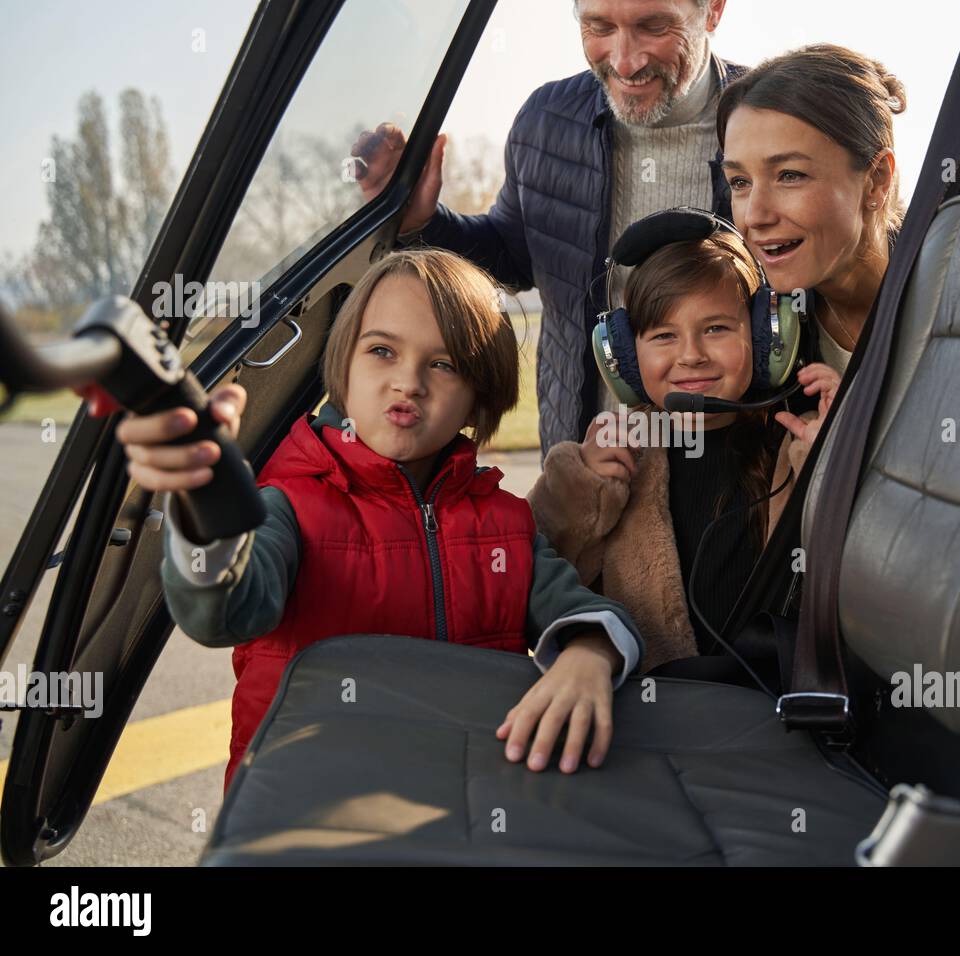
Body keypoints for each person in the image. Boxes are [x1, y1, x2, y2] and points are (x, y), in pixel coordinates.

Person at [115, 249, 644, 791]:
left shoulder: (507, 526)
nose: (408, 382)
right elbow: (220, 612)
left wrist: (589, 652)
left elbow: (586, 612)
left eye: (444, 364)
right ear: (343, 366)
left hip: (465, 815)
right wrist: (208, 506)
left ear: (478, 396)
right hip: (302, 819)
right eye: (382, 351)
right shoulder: (287, 505)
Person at [351, 0, 744, 455]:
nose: (624, 61)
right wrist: (423, 223)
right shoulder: (545, 121)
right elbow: (513, 261)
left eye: (653, 26)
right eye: (599, 26)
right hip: (581, 470)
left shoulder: (771, 122)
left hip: (742, 471)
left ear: (713, 10)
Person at [527, 226, 838, 674]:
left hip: (772, 712)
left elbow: (868, 569)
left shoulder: (799, 444)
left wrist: (834, 452)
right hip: (656, 713)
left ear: (770, 338)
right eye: (663, 336)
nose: (691, 355)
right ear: (624, 358)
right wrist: (585, 488)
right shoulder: (617, 458)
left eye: (715, 328)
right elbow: (534, 566)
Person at [718, 44, 907, 373]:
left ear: (877, 180)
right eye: (739, 182)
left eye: (789, 176)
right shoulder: (758, 334)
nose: (755, 217)